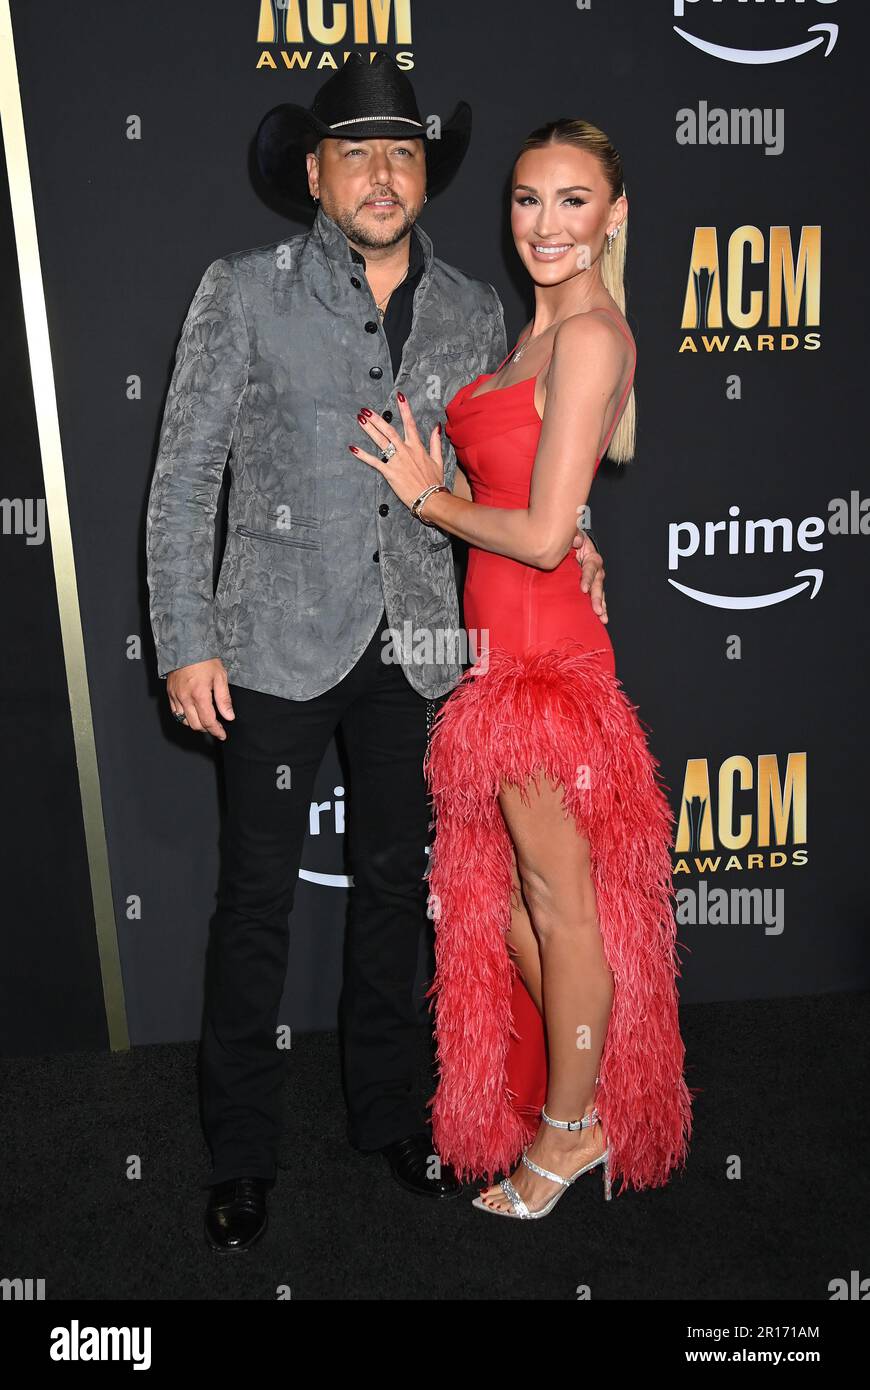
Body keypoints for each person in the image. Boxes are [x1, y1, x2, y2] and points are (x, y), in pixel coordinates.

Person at [145, 55, 607, 1251]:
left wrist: (583, 535)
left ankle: (390, 1114)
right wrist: (187, 637)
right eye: (356, 151)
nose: (382, 173)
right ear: (316, 172)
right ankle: (243, 1154)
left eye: (402, 151)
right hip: (273, 644)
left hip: (426, 645)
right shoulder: (242, 289)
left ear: (426, 174)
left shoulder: (470, 308)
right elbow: (186, 471)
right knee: (254, 908)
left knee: (403, 895)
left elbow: (522, 447)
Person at [350, 118, 694, 1220]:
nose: (546, 225)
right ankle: (600, 1096)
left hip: (545, 668)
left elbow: (540, 535)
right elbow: (554, 503)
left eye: (573, 202)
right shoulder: (531, 337)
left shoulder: (593, 335)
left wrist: (425, 493)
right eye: (528, 201)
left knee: (560, 905)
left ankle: (568, 1135)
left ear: (613, 216)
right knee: (508, 909)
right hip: (497, 669)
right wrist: (563, 526)